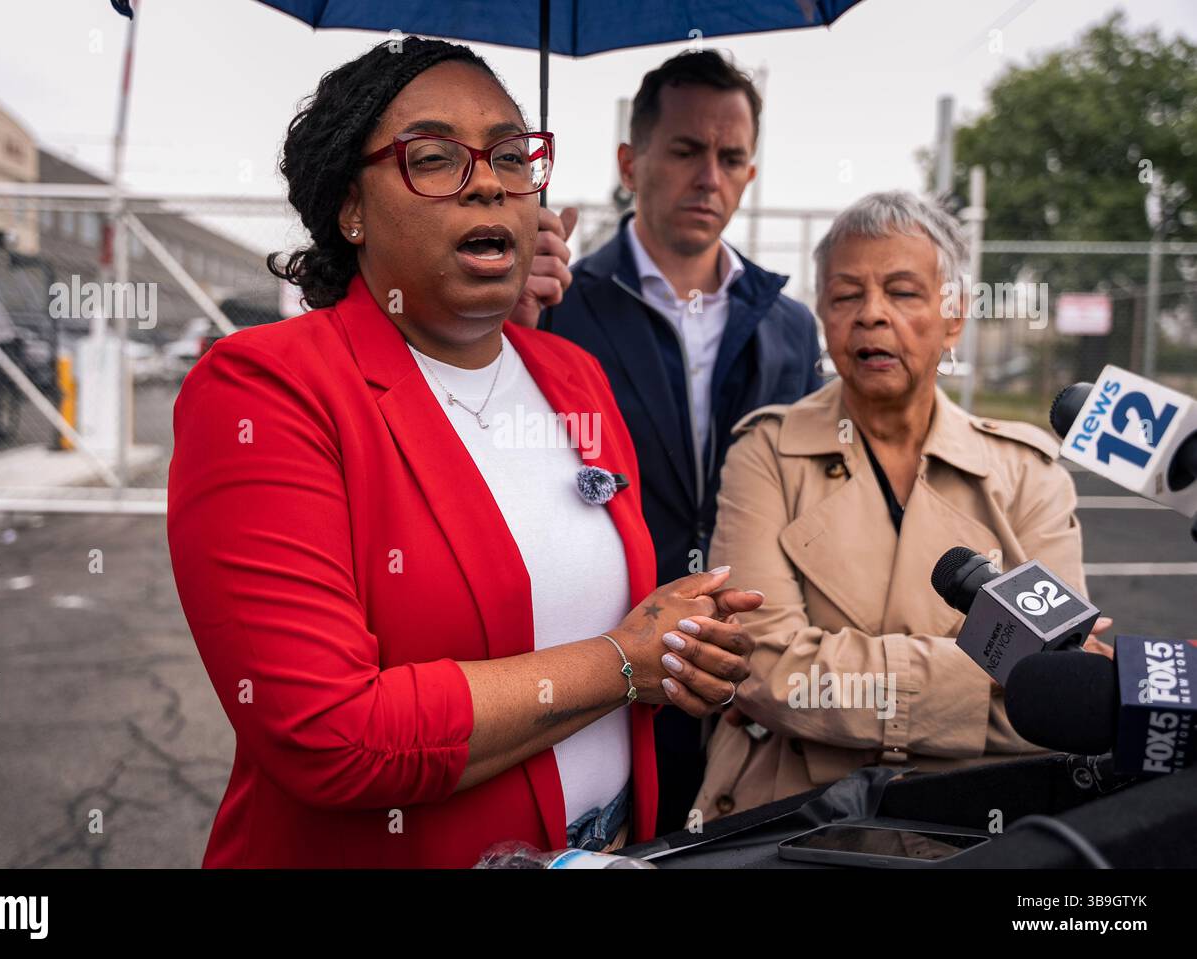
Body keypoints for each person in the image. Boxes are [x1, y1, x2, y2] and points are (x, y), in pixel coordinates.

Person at [166, 36, 761, 868]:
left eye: (512, 156)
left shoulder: (574, 376)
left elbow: (589, 605)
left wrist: (682, 643)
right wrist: (628, 663)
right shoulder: (267, 390)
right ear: (351, 207)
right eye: (436, 157)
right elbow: (331, 733)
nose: (488, 179)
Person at [694, 191, 1114, 820]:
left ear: (954, 316)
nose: (871, 315)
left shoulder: (1028, 473)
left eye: (903, 292)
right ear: (823, 317)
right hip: (786, 809)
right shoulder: (766, 453)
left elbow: (1061, 694)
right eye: (845, 295)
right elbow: (762, 669)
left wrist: (843, 680)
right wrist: (993, 680)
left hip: (981, 816)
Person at [548, 49, 822, 832]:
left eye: (731, 156)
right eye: (685, 150)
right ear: (630, 163)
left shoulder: (787, 324)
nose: (710, 175)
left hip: (752, 667)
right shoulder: (557, 308)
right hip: (608, 662)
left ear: (750, 173)